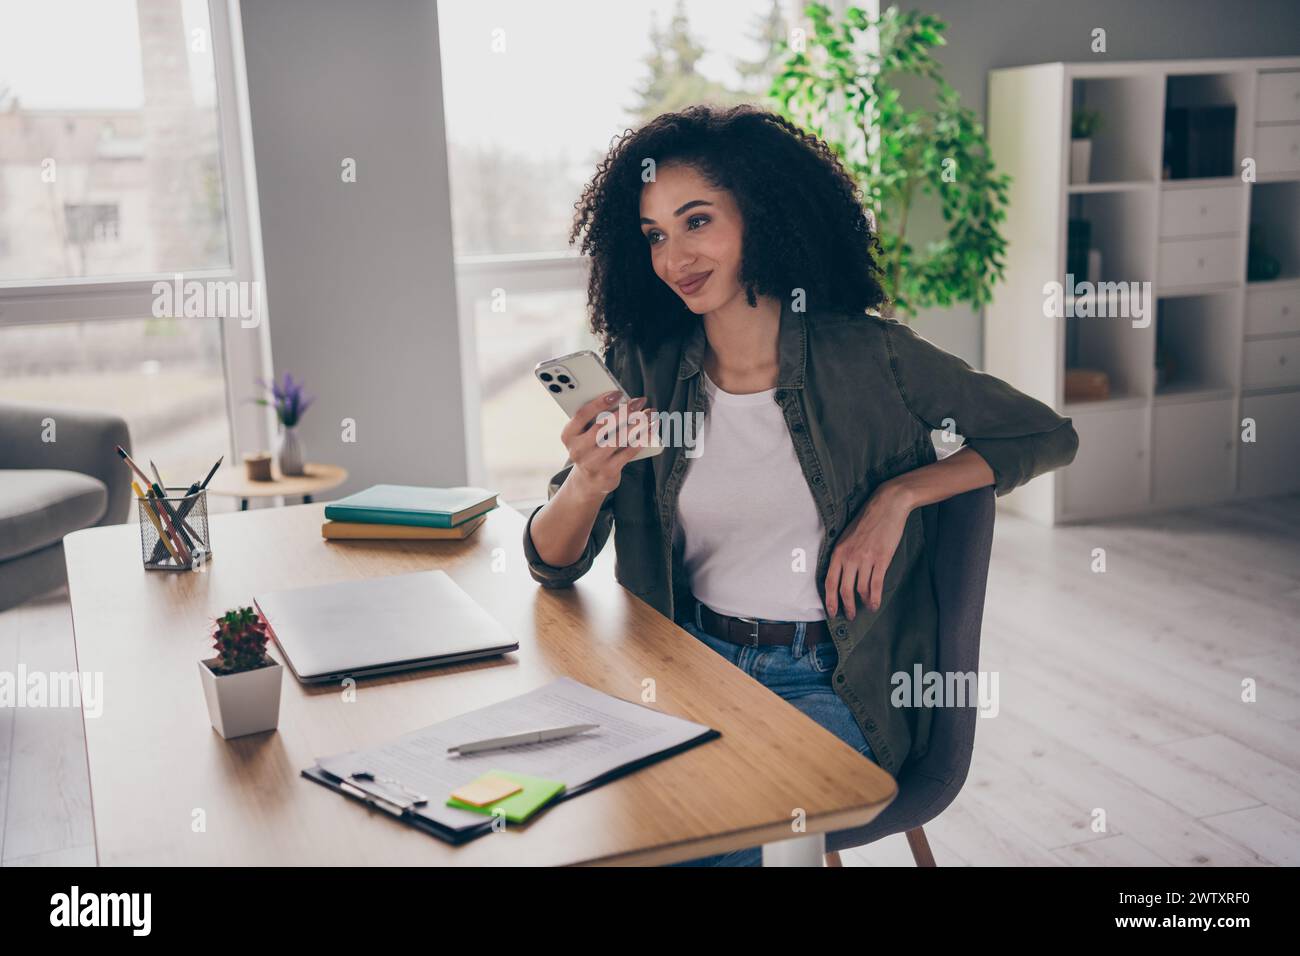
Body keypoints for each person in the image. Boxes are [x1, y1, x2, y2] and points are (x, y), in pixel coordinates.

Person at [523, 104, 1079, 866]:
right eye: (654, 234)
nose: (673, 255)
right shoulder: (644, 366)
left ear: (762, 214)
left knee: (709, 836)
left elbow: (1045, 432)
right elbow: (550, 561)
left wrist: (900, 496)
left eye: (696, 222)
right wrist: (587, 482)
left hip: (829, 684)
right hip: (686, 671)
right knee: (568, 821)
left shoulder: (868, 357)